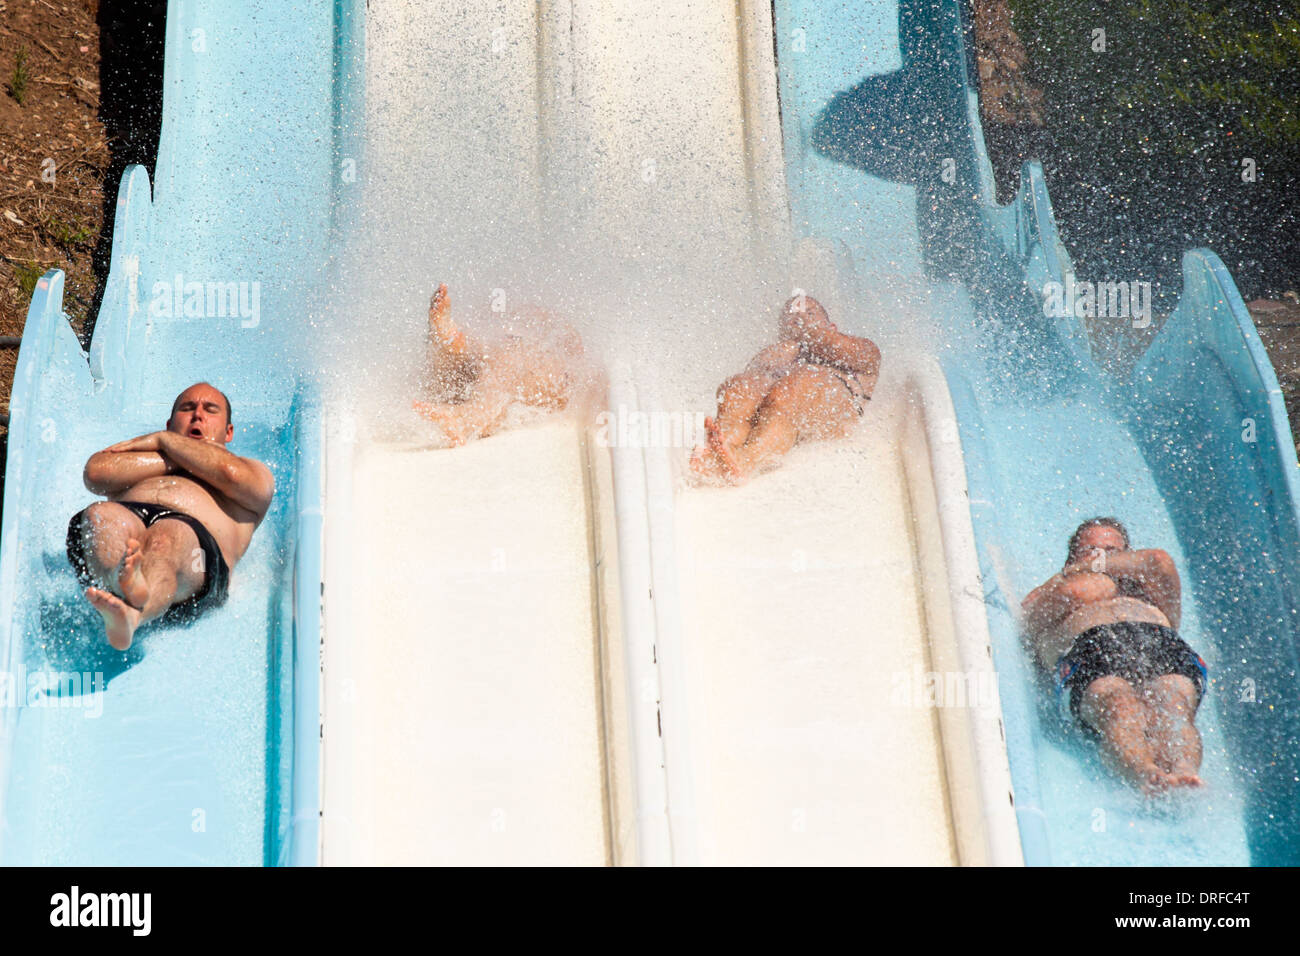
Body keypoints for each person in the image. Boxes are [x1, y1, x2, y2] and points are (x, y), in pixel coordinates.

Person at [67, 382, 275, 650]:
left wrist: (166, 442)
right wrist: (176, 453)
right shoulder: (151, 455)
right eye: (187, 408)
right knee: (100, 515)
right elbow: (96, 472)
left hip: (194, 554)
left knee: (168, 536)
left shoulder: (250, 469)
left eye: (210, 410)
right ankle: (124, 586)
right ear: (169, 423)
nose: (197, 415)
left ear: (229, 431)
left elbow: (229, 473)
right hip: (128, 525)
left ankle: (133, 613)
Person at [1021, 517, 1208, 794]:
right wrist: (1086, 576)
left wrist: (1092, 566)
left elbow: (1159, 561)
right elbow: (1042, 611)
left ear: (1127, 557)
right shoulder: (1054, 588)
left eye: (1111, 552)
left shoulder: (1149, 590)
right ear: (1070, 559)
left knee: (1172, 701)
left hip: (1157, 640)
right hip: (1089, 647)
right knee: (1118, 704)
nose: (1100, 556)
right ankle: (1146, 774)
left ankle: (1184, 771)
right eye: (1090, 550)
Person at [690, 294, 880, 483]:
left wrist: (808, 334)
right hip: (782, 411)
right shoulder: (784, 353)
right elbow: (752, 376)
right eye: (792, 317)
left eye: (810, 313)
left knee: (798, 383)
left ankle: (747, 459)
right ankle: (722, 447)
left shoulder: (863, 350)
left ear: (832, 327)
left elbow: (834, 344)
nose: (800, 318)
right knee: (740, 386)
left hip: (834, 412)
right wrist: (788, 347)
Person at [413, 283, 591, 445]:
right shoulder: (535, 326)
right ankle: (450, 345)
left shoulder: (533, 348)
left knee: (502, 360)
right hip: (484, 365)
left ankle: (451, 345)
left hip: (507, 368)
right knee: (490, 354)